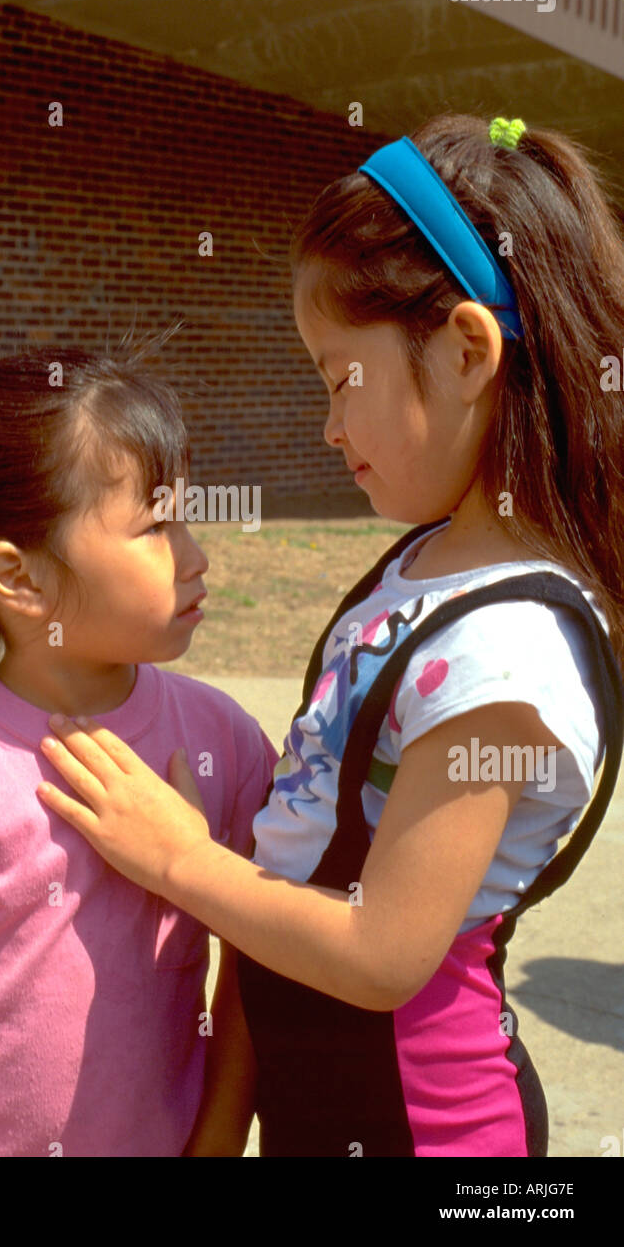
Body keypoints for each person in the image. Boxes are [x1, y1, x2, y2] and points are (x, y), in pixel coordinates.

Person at [34, 113, 624, 1157]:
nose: (328, 425)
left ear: (466, 351)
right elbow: (301, 860)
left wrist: (177, 856)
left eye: (337, 376)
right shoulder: (415, 570)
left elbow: (382, 949)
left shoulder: (508, 654)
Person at [0, 344, 278, 1157]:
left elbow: (248, 978)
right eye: (155, 526)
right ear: (20, 580)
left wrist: (214, 1144)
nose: (196, 555)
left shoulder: (225, 744)